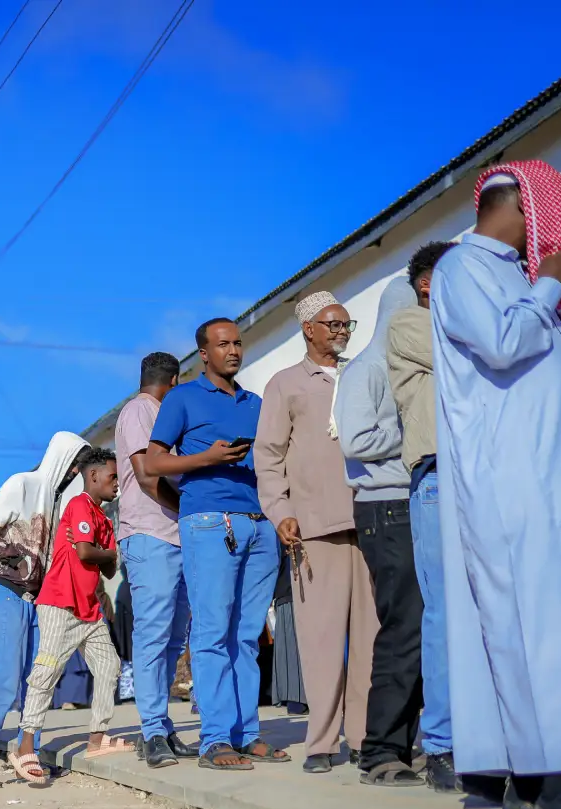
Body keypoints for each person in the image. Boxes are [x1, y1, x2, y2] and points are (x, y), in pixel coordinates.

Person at [430, 163, 561, 809]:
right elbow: (503, 345)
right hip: (513, 479)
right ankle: (548, 784)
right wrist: (549, 282)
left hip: (560, 483)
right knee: (534, 625)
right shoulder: (461, 269)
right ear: (528, 212)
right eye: (554, 224)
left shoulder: (512, 273)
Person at [145, 319, 280, 771]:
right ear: (204, 353)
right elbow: (153, 463)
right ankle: (215, 739)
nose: (234, 351)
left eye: (238, 343)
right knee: (212, 632)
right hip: (209, 522)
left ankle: (248, 734)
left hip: (259, 524)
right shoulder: (182, 398)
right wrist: (208, 458)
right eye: (223, 344)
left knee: (247, 636)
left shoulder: (256, 403)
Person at [254, 293, 376, 773]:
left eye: (347, 324)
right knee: (322, 638)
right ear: (309, 328)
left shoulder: (362, 376)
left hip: (369, 518)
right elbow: (268, 457)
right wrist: (281, 511)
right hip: (314, 527)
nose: (342, 332)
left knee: (370, 636)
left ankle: (367, 739)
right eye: (333, 324)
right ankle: (322, 741)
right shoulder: (285, 384)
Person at [334, 278, 429, 787]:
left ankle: (412, 743)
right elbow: (355, 438)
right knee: (404, 627)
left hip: (415, 502)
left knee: (424, 628)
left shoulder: (405, 368)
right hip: (385, 508)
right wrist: (414, 427)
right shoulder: (367, 370)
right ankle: (380, 751)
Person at [0, 431, 88, 789]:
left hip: (39, 599)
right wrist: (19, 558)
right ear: (60, 459)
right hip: (6, 593)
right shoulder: (21, 484)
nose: (75, 471)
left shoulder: (62, 500)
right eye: (74, 463)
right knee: (5, 681)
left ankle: (25, 750)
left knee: (38, 679)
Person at [386, 240, 458, 794]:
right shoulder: (410, 323)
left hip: (480, 474)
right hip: (436, 477)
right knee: (444, 613)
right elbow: (467, 350)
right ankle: (443, 744)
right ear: (430, 283)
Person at [9, 448, 128, 782]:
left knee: (109, 667)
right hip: (60, 602)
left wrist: (103, 551)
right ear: (93, 477)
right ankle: (25, 746)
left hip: (89, 608)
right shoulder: (78, 505)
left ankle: (96, 739)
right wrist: (101, 551)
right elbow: (86, 551)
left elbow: (106, 566)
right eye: (112, 476)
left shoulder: (102, 518)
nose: (116, 483)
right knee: (47, 671)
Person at [114, 352, 198, 769]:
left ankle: (161, 724)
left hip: (176, 538)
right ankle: (150, 731)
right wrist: (188, 509)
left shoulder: (165, 417)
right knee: (153, 634)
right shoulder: (139, 411)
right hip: (149, 535)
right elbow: (149, 478)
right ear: (175, 380)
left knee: (173, 638)